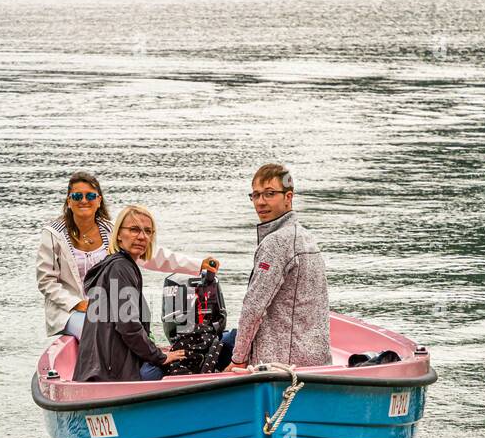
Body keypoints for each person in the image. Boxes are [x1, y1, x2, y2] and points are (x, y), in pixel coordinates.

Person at [36, 171, 218, 339]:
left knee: (128, 330)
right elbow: (46, 281)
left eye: (90, 196)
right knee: (97, 330)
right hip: (70, 312)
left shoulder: (111, 230)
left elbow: (152, 255)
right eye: (77, 196)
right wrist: (77, 303)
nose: (84, 200)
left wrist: (197, 264)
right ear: (69, 201)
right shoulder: (54, 234)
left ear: (99, 200)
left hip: (110, 309)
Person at [220, 163, 331, 371]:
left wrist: (238, 359)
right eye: (256, 195)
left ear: (288, 197)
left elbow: (254, 307)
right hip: (316, 361)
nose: (261, 202)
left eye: (269, 194)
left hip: (279, 365)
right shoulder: (307, 238)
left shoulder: (276, 243)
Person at [73, 205, 188, 382]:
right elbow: (128, 326)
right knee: (181, 367)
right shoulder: (120, 268)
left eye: (148, 231)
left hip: (98, 367)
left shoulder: (114, 265)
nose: (142, 237)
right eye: (134, 229)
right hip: (111, 375)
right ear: (118, 234)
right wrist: (160, 357)